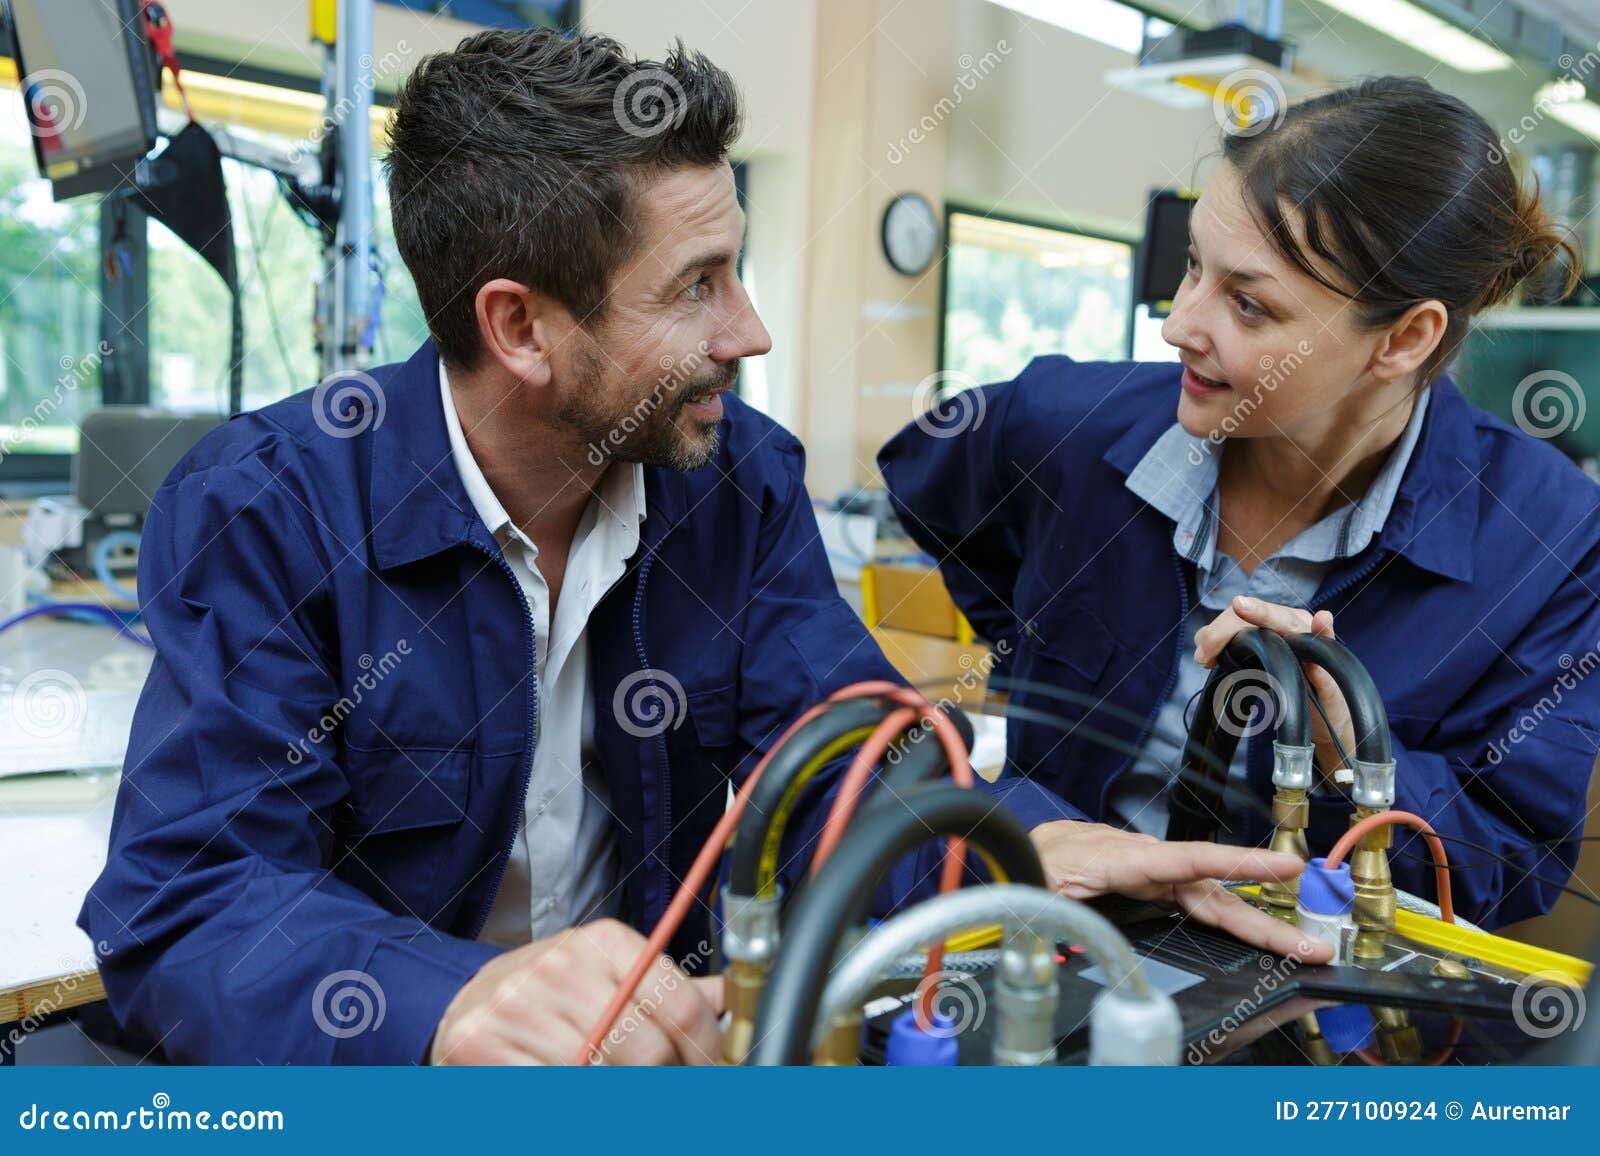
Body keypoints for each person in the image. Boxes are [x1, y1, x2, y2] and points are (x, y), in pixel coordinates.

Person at [81, 29, 1319, 1068]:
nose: (752, 330)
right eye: (697, 286)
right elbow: (191, 902)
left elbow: (843, 748)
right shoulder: (269, 511)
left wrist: (1010, 840)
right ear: (521, 327)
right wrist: (445, 1004)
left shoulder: (734, 486)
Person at [881, 76, 1600, 931]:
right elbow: (925, 484)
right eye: (1193, 266)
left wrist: (1349, 753)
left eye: (1249, 305)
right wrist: (1025, 634)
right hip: (1048, 935)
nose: (1179, 325)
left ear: (1406, 338)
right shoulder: (1061, 424)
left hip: (1305, 987)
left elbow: (1512, 865)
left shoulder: (1549, 537)